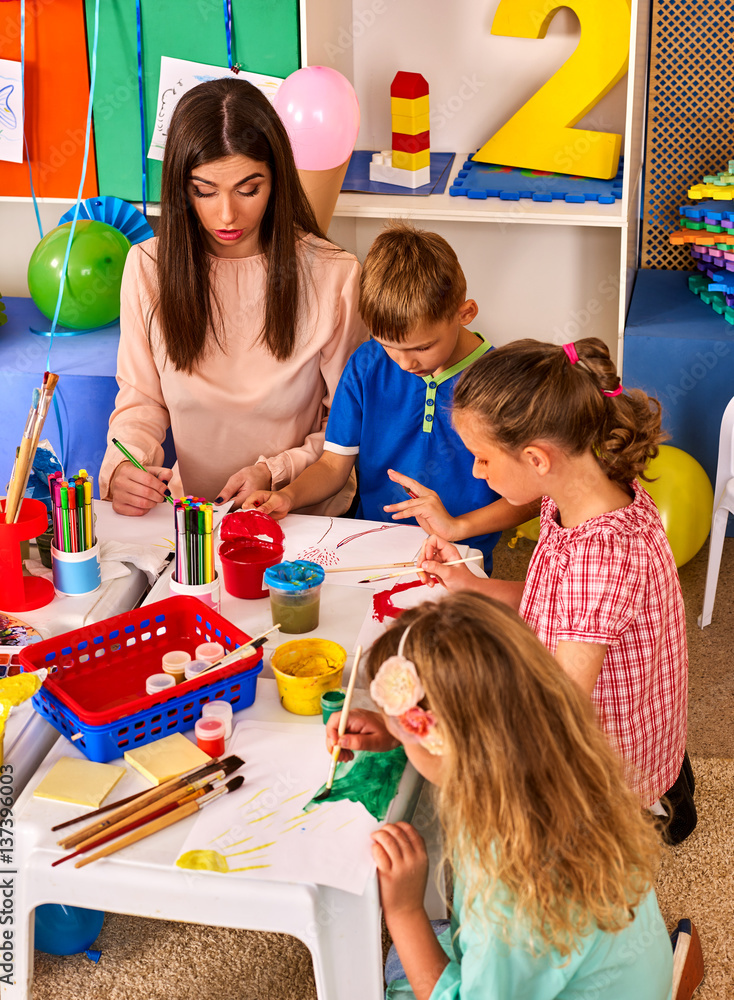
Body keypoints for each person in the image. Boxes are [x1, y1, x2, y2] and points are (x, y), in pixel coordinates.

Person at [410, 337, 695, 843]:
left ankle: (653, 819)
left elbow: (558, 710)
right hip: (629, 718)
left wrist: (462, 719)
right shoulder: (582, 492)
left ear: (537, 458)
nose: (477, 471)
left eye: (482, 459)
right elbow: (552, 601)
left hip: (607, 761)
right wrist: (470, 585)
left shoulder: (601, 556)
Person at [328, 592, 677, 1000]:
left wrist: (404, 912)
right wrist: (397, 732)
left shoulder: (508, 885)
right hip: (623, 979)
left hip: (525, 951)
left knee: (395, 969)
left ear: (440, 740)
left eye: (406, 732)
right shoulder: (568, 763)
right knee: (433, 945)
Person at [98, 78, 366, 516]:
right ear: (179, 187)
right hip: (196, 514)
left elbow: (345, 427)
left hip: (300, 512)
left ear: (277, 180)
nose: (226, 215)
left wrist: (275, 471)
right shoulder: (147, 267)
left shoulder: (334, 274)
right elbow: (140, 401)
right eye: (203, 191)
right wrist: (124, 468)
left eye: (248, 189)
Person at [243, 223, 537, 573]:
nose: (405, 362)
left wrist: (458, 528)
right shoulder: (367, 365)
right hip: (370, 550)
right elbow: (333, 466)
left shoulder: (505, 381)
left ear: (465, 313)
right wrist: (287, 496)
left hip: (461, 556)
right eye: (389, 345)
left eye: (423, 347)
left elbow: (535, 499)